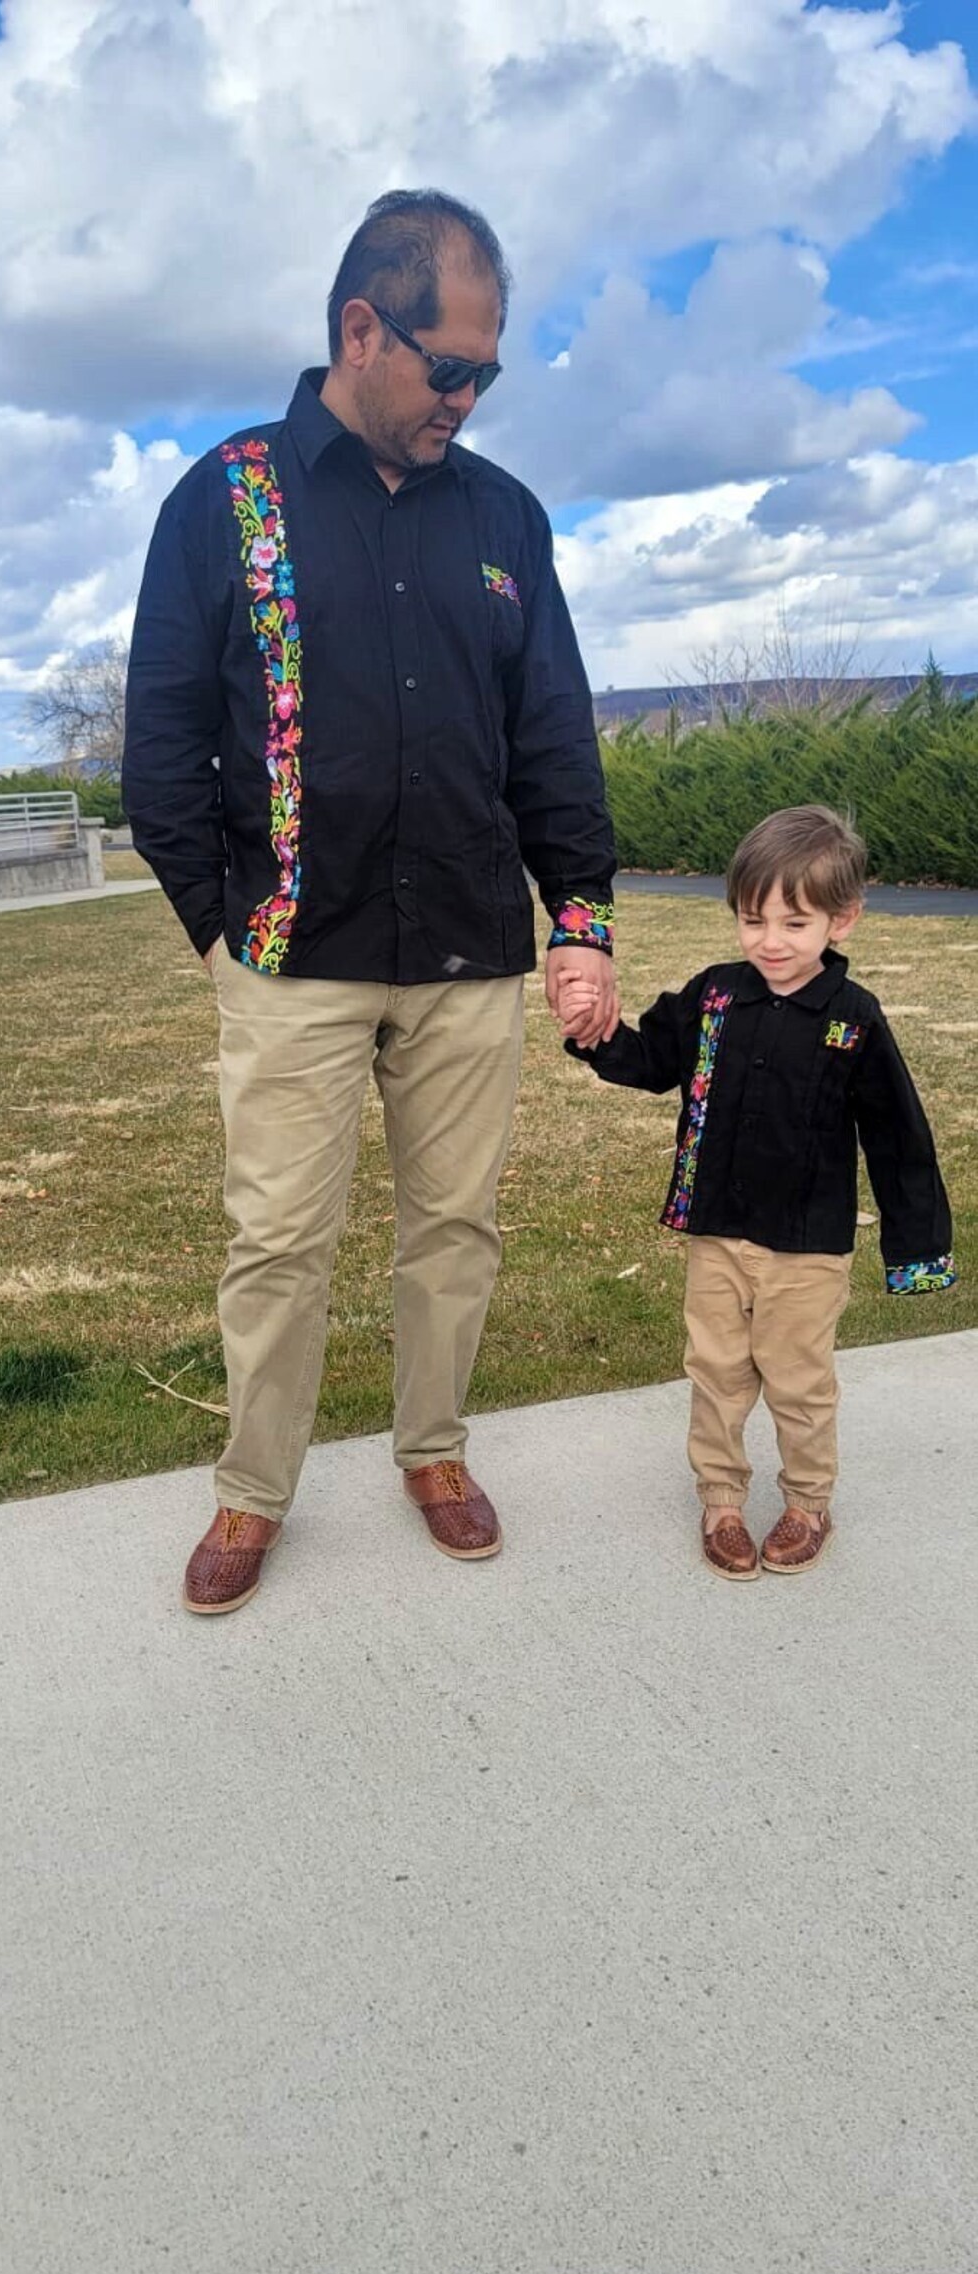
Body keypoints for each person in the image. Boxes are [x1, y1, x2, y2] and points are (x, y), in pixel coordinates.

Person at [122, 188, 619, 1614]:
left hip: (470, 951)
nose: (465, 397)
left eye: (487, 373)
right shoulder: (226, 500)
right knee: (279, 1240)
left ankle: (435, 1452)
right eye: (447, 366)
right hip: (288, 957)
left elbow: (553, 737)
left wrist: (578, 912)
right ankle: (253, 1491)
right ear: (361, 329)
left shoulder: (508, 519)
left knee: (454, 1232)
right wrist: (219, 924)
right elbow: (162, 743)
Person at [555, 805, 955, 1579]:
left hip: (806, 1247)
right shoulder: (713, 998)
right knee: (717, 1371)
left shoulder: (855, 1021)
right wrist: (594, 1034)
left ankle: (807, 1502)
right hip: (718, 1233)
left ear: (843, 921)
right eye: (752, 918)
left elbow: (900, 1140)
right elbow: (650, 1059)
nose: (770, 940)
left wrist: (917, 1250)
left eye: (794, 922)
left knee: (799, 1381)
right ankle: (721, 1498)